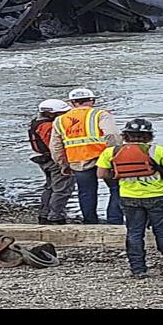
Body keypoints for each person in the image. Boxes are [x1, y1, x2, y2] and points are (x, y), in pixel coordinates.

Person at [96, 118, 163, 278]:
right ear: (149, 136)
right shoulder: (158, 151)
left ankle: (138, 269)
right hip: (158, 196)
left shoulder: (112, 152)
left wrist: (119, 175)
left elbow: (101, 174)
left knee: (134, 233)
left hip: (129, 197)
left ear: (125, 135)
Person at [50, 87, 121, 225]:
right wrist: (115, 156)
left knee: (86, 193)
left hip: (78, 161)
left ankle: (90, 222)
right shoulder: (101, 114)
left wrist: (63, 164)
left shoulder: (60, 120)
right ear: (92, 101)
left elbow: (55, 147)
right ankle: (115, 221)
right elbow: (112, 135)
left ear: (72, 102)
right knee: (116, 189)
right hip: (104, 160)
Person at [29, 99, 74, 224]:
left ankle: (44, 213)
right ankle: (56, 216)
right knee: (62, 189)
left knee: (50, 187)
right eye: (62, 113)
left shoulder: (37, 123)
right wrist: (64, 163)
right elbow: (54, 145)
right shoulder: (48, 126)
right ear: (51, 114)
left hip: (45, 160)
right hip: (54, 161)